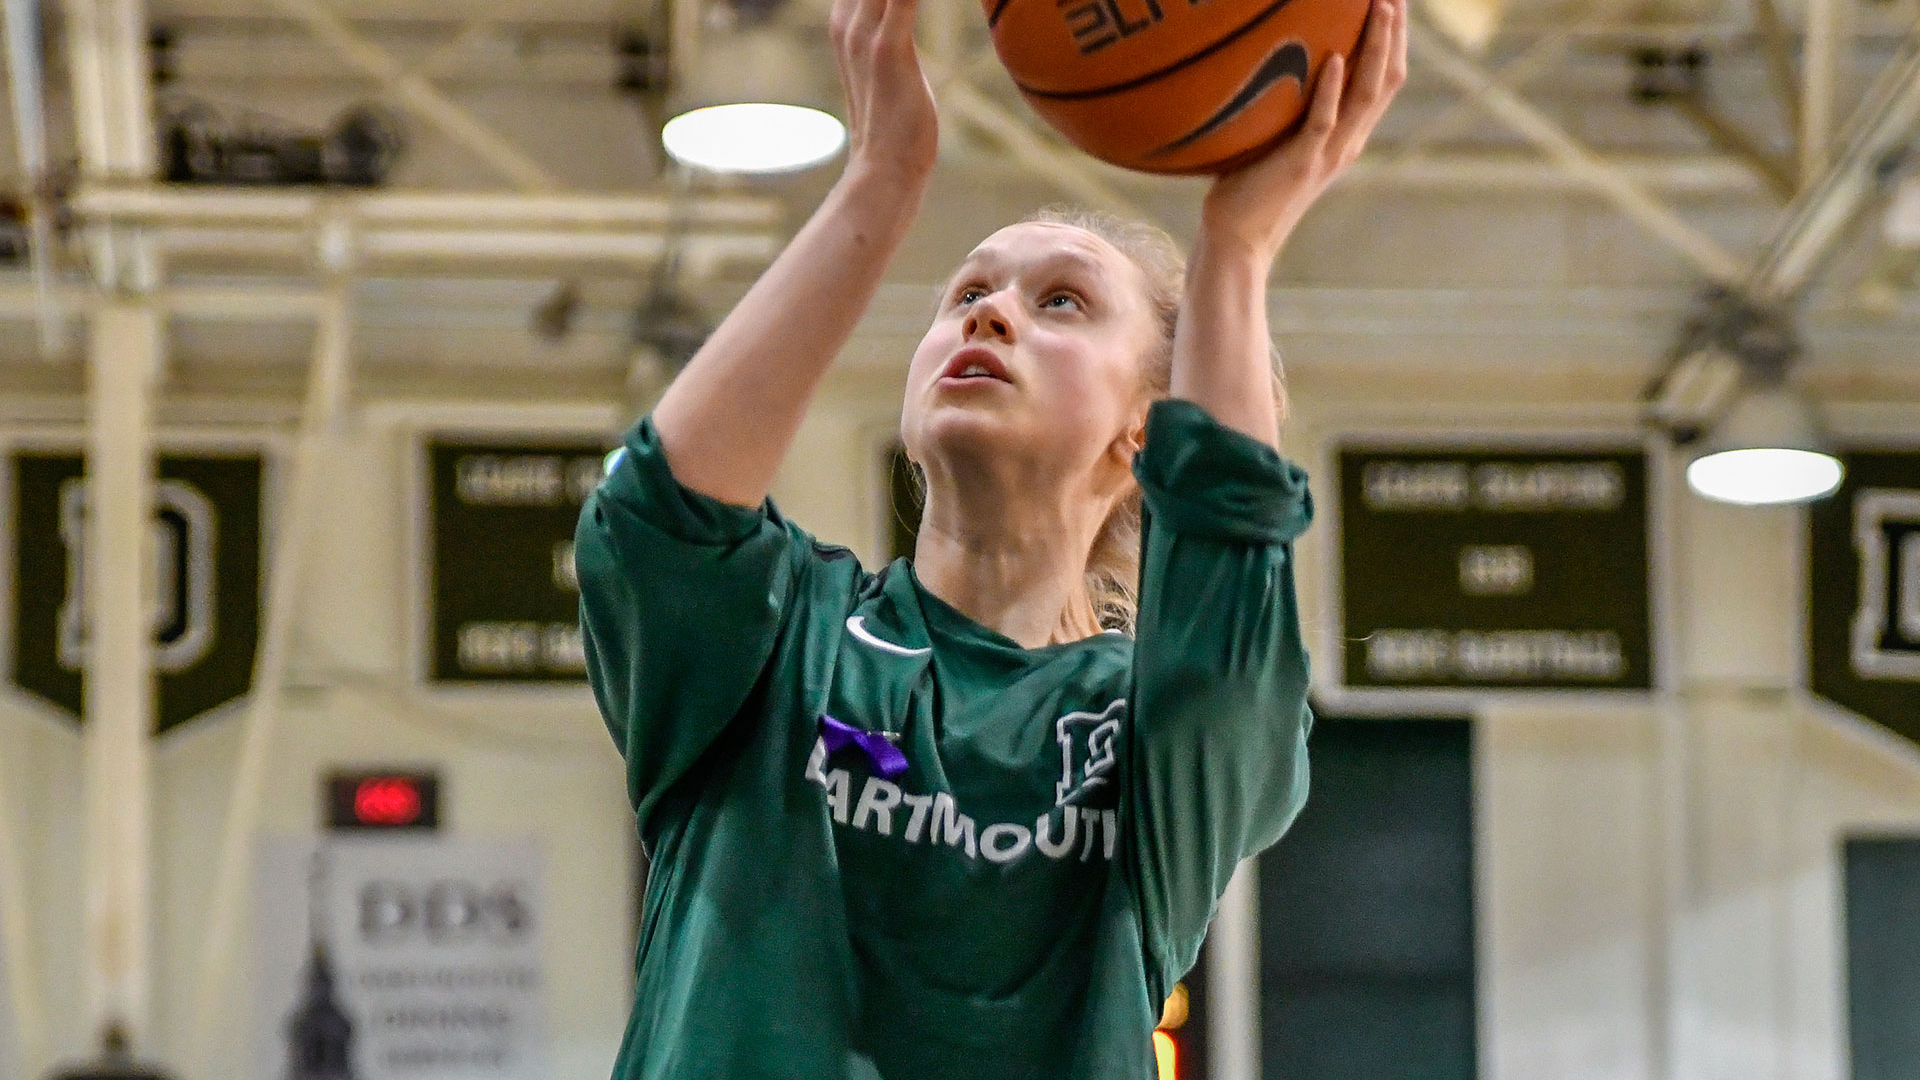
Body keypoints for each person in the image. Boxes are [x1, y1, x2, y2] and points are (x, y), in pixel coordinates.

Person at [575, 0, 1408, 1073]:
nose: (991, 314)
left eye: (1061, 302)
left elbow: (1228, 648)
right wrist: (879, 186)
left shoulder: (1140, 723)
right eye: (966, 291)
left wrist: (1236, 254)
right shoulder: (785, 641)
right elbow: (658, 514)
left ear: (1145, 435)